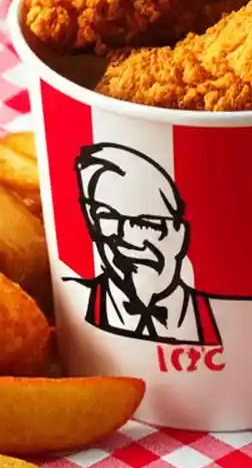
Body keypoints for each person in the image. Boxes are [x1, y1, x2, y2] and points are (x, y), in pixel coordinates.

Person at [74, 143, 221, 345]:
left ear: (180, 234)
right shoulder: (71, 303)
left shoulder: (234, 317)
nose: (127, 239)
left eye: (145, 223)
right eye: (108, 218)